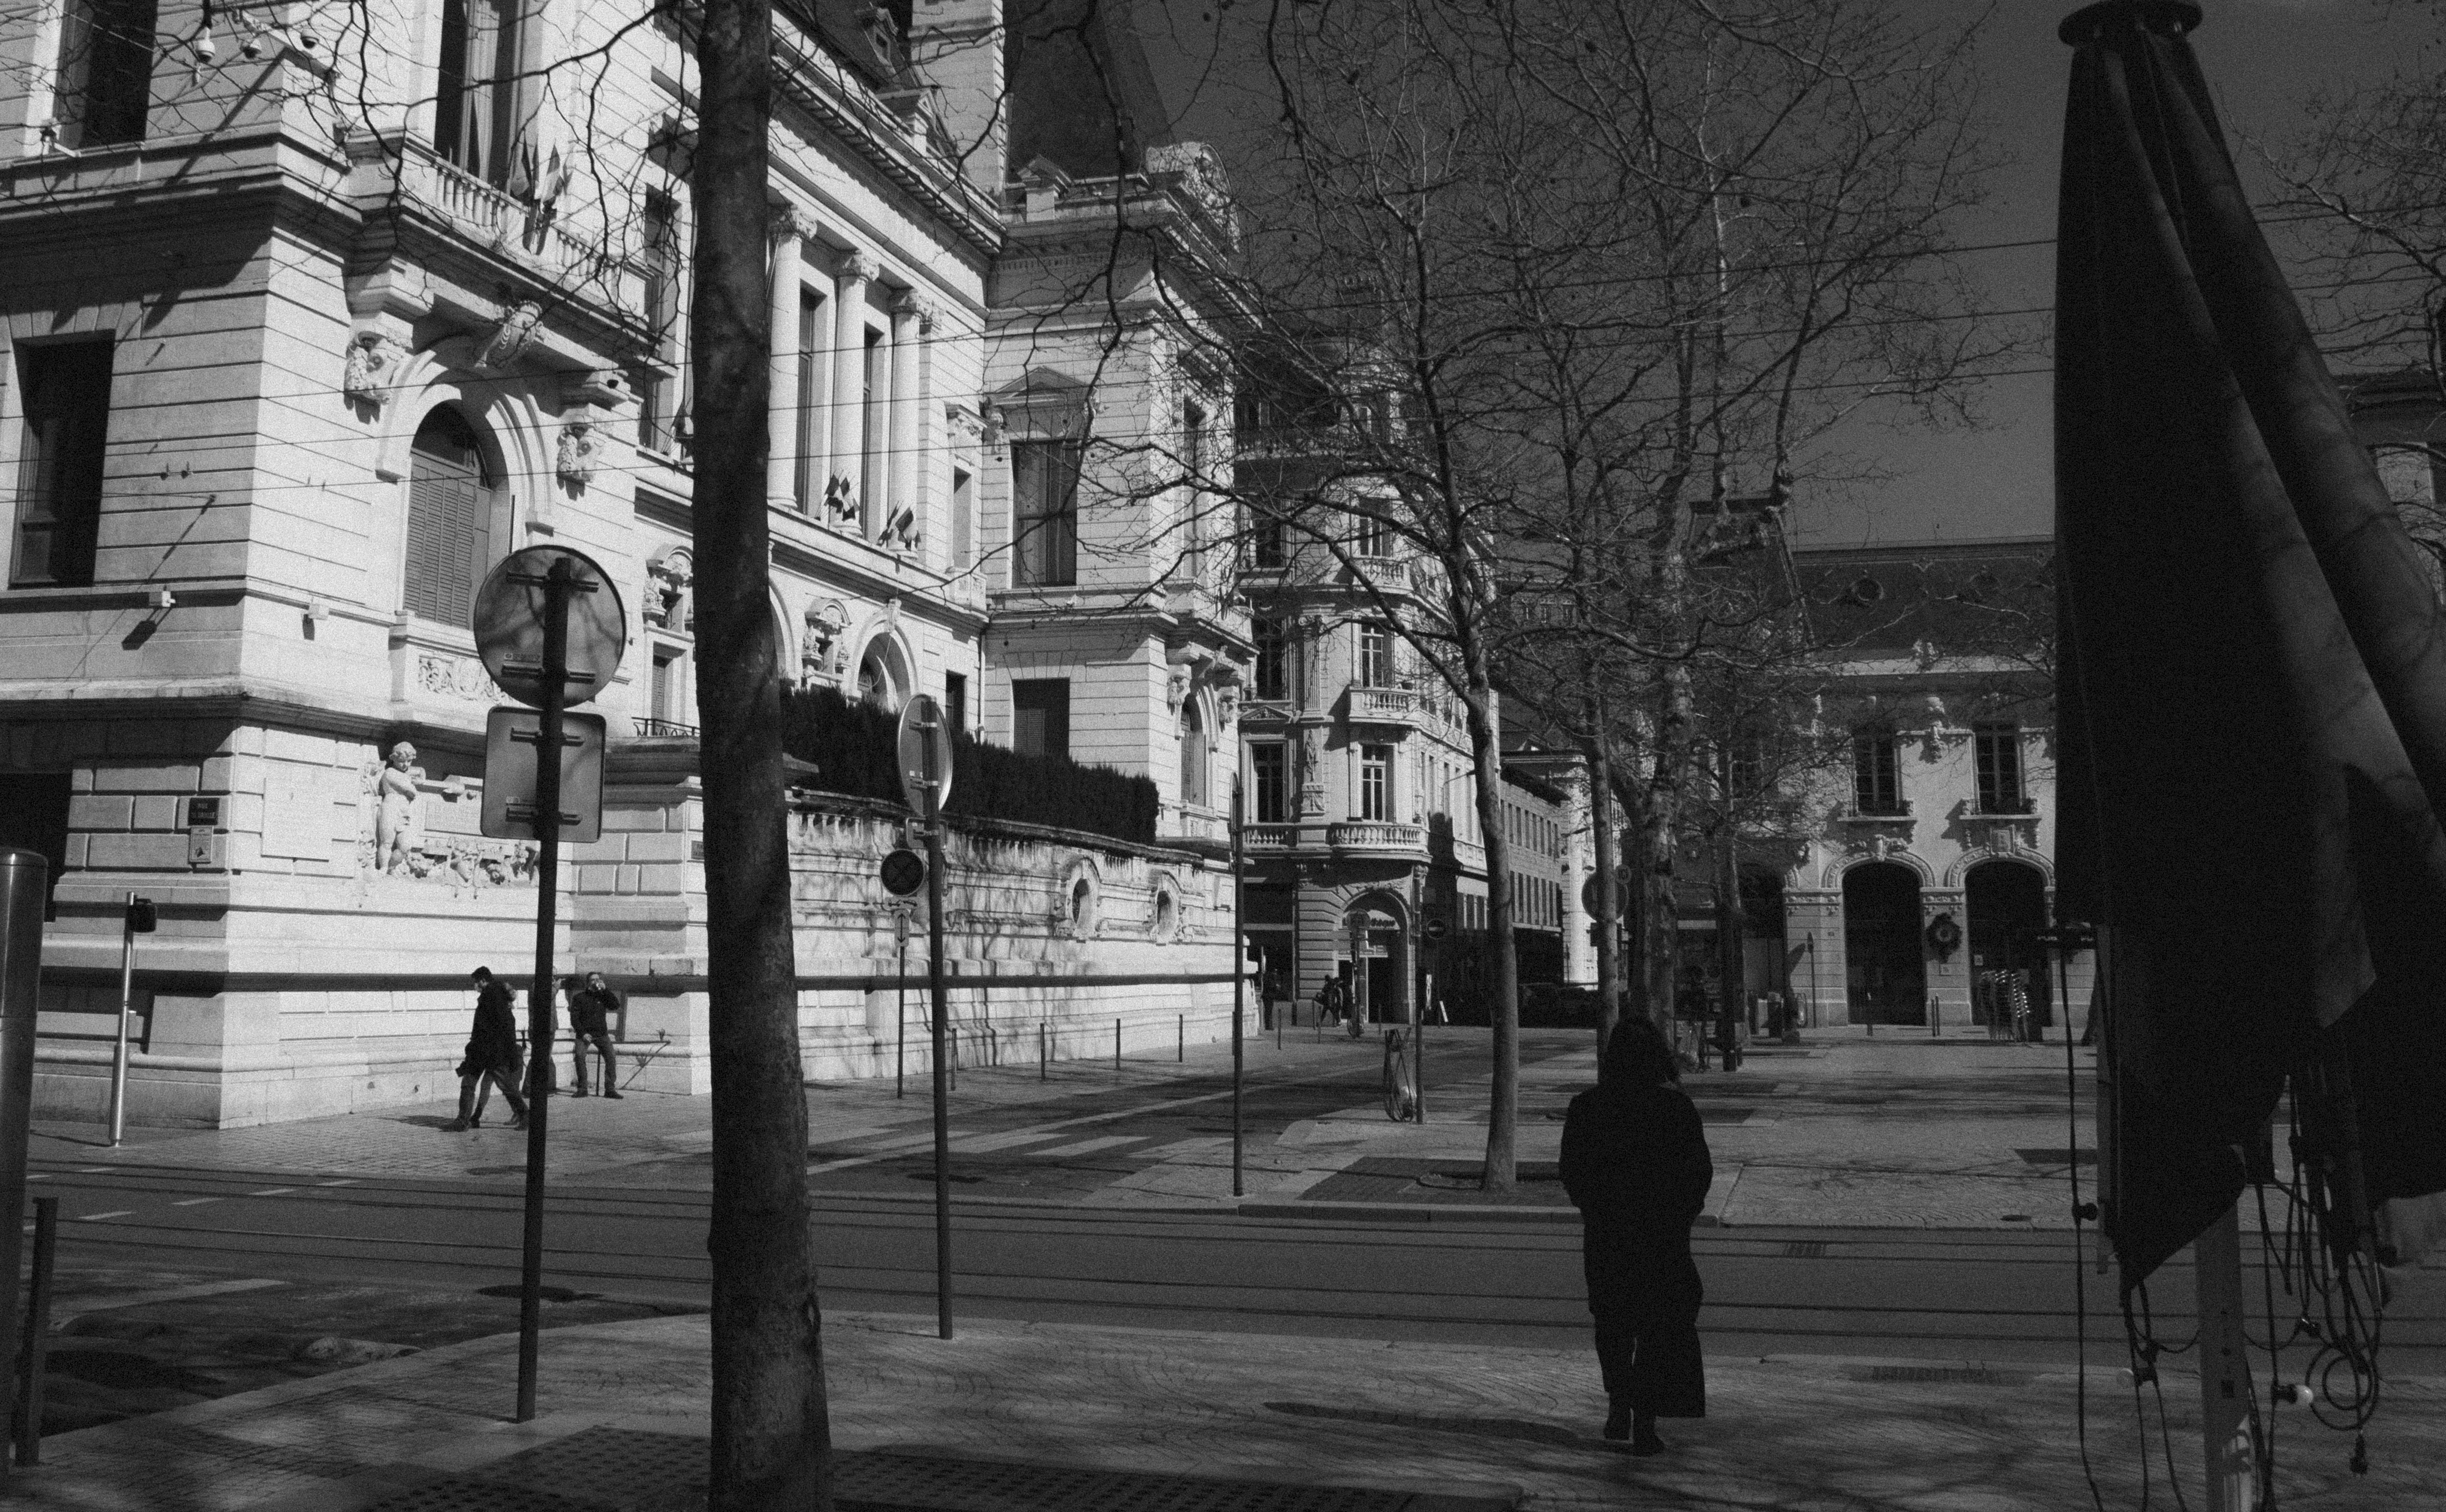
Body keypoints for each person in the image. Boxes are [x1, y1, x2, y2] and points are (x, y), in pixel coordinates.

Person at [1560, 1016, 1713, 1454]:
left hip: (1609, 1234)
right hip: (1661, 1237)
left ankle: (1618, 1399)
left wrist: (1595, 1206)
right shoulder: (1675, 1110)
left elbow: (1572, 1170)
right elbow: (1698, 1173)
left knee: (1612, 1324)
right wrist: (1683, 1214)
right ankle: (1643, 1422)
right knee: (1654, 1329)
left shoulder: (1587, 1107)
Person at [446, 967, 527, 1133]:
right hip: (488, 1052)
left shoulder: (492, 997)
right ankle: (464, 1120)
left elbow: (495, 1027)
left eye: (476, 982)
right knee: (486, 1084)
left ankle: (464, 1121)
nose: (474, 986)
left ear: (483, 981)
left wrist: (479, 1047)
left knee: (487, 1085)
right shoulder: (495, 996)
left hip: (489, 1052)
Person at [567, 970, 622, 1098]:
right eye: (593, 980)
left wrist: (606, 990)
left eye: (598, 979)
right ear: (588, 983)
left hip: (601, 1034)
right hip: (585, 1034)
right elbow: (574, 1019)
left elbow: (615, 1005)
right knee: (580, 1056)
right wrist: (582, 1034)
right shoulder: (579, 998)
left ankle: (610, 1089)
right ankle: (582, 1088)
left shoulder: (603, 996)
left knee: (611, 1057)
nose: (596, 982)